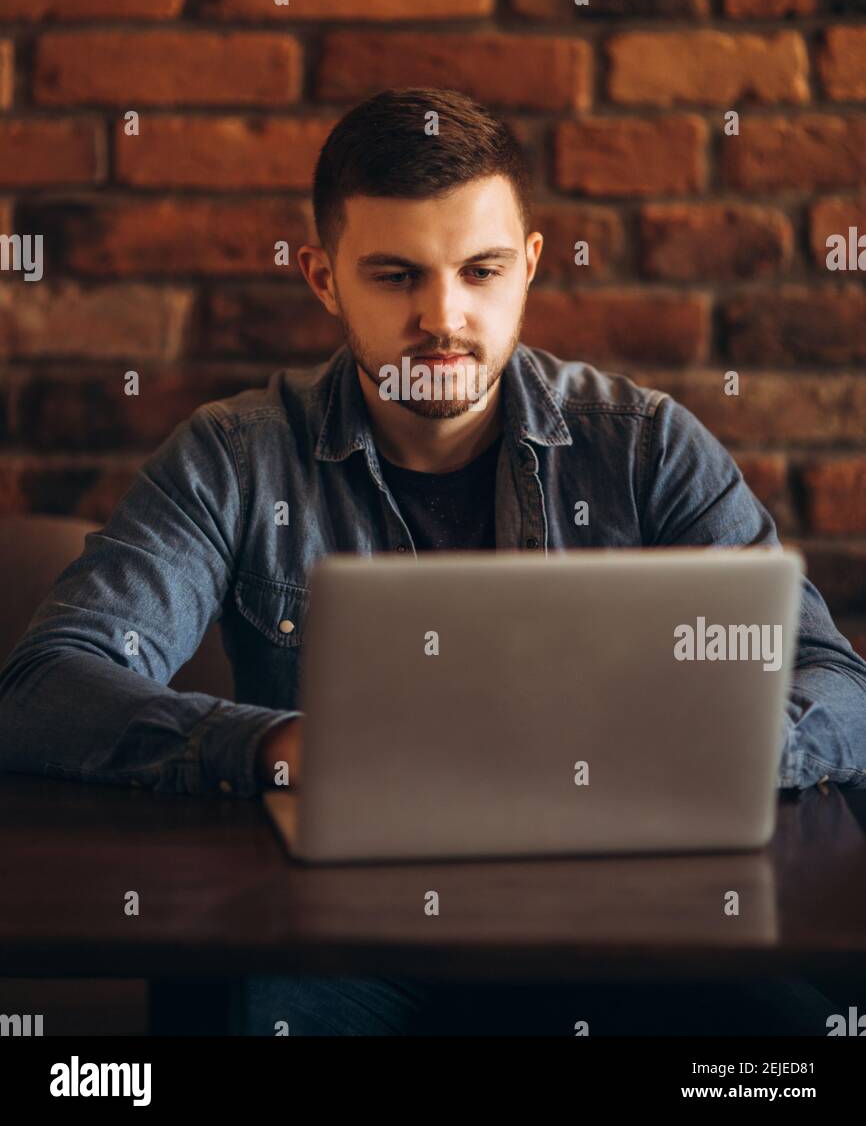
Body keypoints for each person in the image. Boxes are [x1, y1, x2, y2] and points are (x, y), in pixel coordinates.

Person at [2, 89, 863, 1036]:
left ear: (530, 267)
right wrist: (274, 746)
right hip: (341, 940)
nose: (443, 318)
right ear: (324, 280)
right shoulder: (234, 457)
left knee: (797, 1040)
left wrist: (719, 755)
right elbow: (45, 686)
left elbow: (837, 684)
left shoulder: (645, 448)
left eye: (481, 271)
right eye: (396, 276)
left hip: (627, 924)